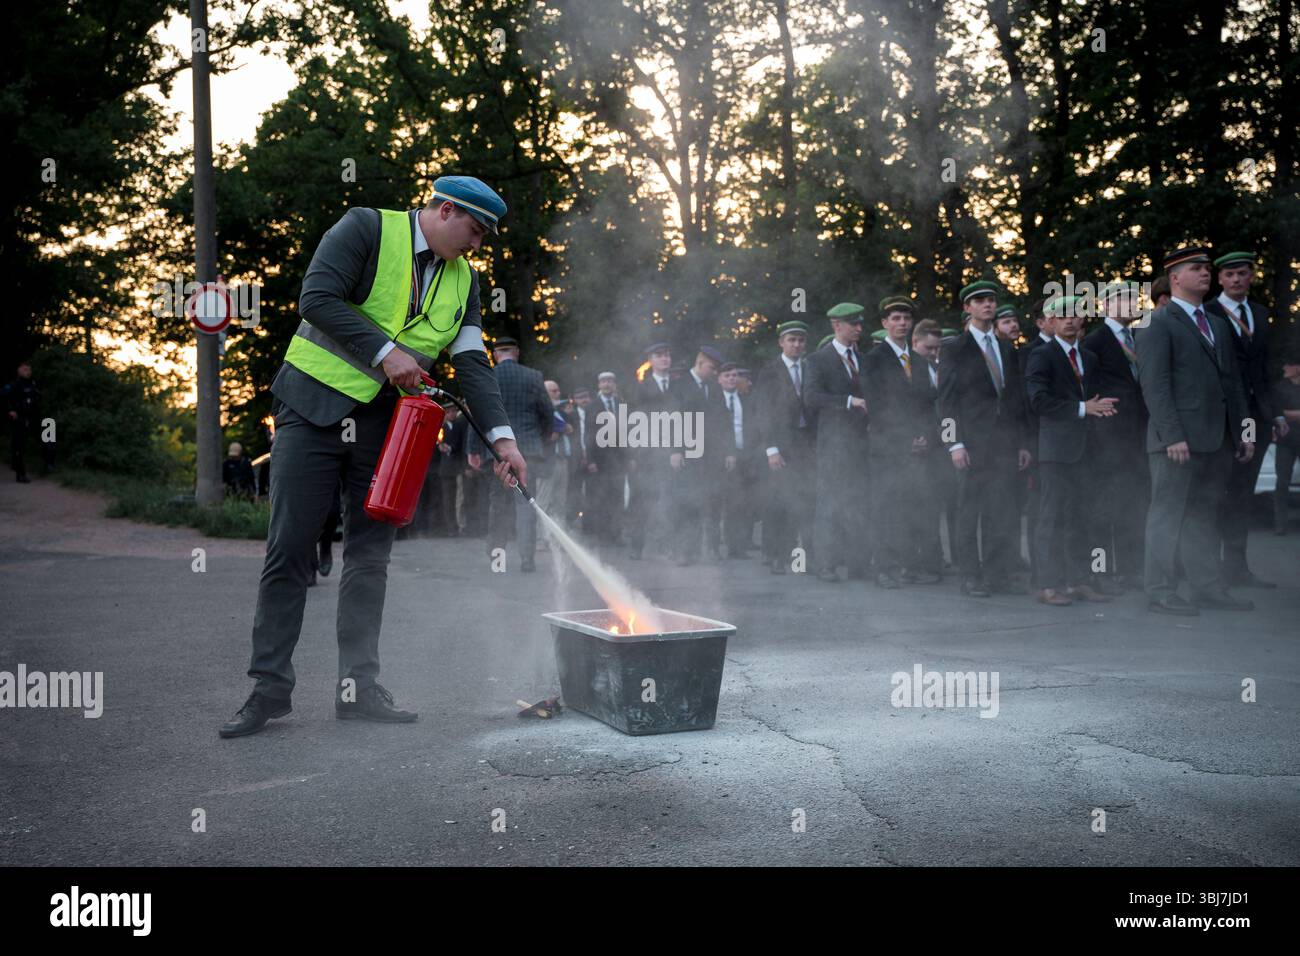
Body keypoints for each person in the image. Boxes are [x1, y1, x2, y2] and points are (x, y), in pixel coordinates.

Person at [220, 176, 525, 739]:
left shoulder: (466, 280)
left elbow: (472, 367)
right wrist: (386, 354)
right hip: (310, 409)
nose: (477, 245)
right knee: (290, 550)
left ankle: (356, 689)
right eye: (474, 231)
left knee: (369, 556)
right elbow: (316, 298)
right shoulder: (365, 226)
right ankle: (268, 691)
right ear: (443, 208)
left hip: (385, 428)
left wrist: (502, 439)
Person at [1137, 246, 1254, 616]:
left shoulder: (1217, 322)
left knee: (1204, 514)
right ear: (1174, 278)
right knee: (1166, 515)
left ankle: (1207, 587)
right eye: (1197, 268)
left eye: (1207, 268)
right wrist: (1172, 435)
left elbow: (1233, 385)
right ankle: (1159, 591)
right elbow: (1154, 385)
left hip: (1215, 438)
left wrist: (1244, 431)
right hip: (1177, 441)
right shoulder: (1157, 321)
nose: (1206, 273)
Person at [937, 280, 1032, 598]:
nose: (987, 305)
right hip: (972, 444)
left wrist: (1021, 442)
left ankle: (996, 574)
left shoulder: (1007, 347)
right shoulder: (954, 348)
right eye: (979, 300)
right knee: (969, 511)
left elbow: (1015, 398)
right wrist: (954, 443)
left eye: (991, 299)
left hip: (1005, 442)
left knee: (1001, 510)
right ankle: (970, 576)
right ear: (967, 308)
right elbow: (946, 400)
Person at [1025, 296, 1118, 605]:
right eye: (1061, 315)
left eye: (1075, 315)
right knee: (1050, 517)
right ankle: (1047, 585)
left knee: (1082, 516)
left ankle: (1079, 580)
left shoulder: (1089, 357)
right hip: (1056, 451)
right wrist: (1083, 408)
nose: (1068, 320)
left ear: (1082, 321)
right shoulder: (1042, 354)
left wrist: (1100, 409)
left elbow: (1095, 399)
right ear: (1049, 322)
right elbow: (1038, 401)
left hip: (1087, 449)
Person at [1204, 251, 1287, 588]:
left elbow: (1266, 368)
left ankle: (1236, 567)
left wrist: (1277, 411)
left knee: (1243, 492)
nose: (1236, 280)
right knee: (1216, 492)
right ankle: (1207, 571)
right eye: (1230, 275)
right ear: (1220, 279)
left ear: (1252, 276)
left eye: (1242, 273)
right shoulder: (1208, 312)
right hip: (1223, 416)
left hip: (1255, 415)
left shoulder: (1259, 313)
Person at [1083, 281, 1149, 592]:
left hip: (1137, 435)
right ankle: (1100, 571)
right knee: (1102, 507)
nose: (1132, 304)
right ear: (1106, 306)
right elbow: (1086, 385)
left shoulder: (1139, 336)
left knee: (1132, 504)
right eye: (1123, 299)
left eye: (1135, 299)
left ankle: (1130, 569)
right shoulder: (1095, 341)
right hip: (1107, 437)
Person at [468, 337, 553, 572]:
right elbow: (547, 414)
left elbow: (476, 414)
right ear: (516, 352)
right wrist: (540, 441)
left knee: (498, 504)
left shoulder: (488, 376)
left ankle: (497, 559)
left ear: (495, 355)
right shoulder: (533, 376)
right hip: (528, 448)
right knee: (526, 504)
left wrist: (473, 449)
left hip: (495, 450)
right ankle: (527, 559)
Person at [864, 295, 930, 588]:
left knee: (910, 506)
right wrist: (905, 439)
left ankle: (907, 565)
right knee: (885, 507)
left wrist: (923, 435)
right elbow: (877, 406)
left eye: (906, 318)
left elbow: (928, 401)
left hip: (916, 446)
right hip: (887, 447)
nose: (902, 323)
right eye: (896, 318)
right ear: (884, 323)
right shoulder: (874, 359)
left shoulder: (918, 359)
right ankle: (883, 568)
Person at [805, 302, 872, 582]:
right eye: (852, 324)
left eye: (860, 323)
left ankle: (858, 563)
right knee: (830, 505)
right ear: (836, 326)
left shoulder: (862, 358)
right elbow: (811, 398)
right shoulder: (819, 359)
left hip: (860, 444)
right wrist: (847, 401)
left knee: (858, 503)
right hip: (833, 445)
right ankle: (826, 565)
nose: (859, 328)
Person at [755, 321, 816, 575]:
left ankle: (804, 558)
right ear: (781, 342)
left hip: (806, 444)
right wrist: (771, 449)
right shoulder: (770, 371)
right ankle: (778, 555)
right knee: (780, 502)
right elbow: (763, 412)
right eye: (791, 340)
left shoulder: (810, 368)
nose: (797, 345)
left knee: (805, 500)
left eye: (801, 340)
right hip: (781, 444)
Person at [670, 345, 726, 565]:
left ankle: (710, 549)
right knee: (686, 503)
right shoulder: (679, 386)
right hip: (687, 453)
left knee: (710, 501)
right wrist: (675, 450)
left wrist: (727, 451)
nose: (715, 372)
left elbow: (722, 419)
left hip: (711, 455)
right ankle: (684, 551)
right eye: (712, 368)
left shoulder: (714, 388)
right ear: (700, 363)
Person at [904, 319, 947, 578]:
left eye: (936, 348)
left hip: (937, 444)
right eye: (928, 348)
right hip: (915, 444)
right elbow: (907, 408)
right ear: (915, 343)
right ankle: (911, 564)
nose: (933, 353)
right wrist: (913, 437)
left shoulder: (937, 367)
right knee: (912, 507)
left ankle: (932, 561)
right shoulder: (908, 370)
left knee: (931, 507)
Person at [627, 344, 679, 560]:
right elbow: (634, 422)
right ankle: (637, 546)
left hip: (673, 452)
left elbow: (682, 420)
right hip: (647, 453)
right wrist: (633, 454)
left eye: (667, 355)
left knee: (670, 499)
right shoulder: (641, 388)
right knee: (642, 499)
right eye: (659, 356)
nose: (665, 359)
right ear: (651, 359)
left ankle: (667, 545)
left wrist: (677, 449)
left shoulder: (677, 386)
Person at [717, 361, 760, 558]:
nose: (731, 379)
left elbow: (753, 427)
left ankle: (738, 546)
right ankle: (714, 545)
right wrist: (726, 451)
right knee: (720, 502)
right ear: (719, 379)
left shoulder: (746, 400)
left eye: (734, 375)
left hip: (745, 456)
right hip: (721, 458)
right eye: (727, 375)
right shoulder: (714, 400)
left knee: (741, 503)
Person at [587, 372, 627, 547]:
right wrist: (590, 460)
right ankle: (602, 535)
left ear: (614, 383)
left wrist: (630, 457)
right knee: (601, 497)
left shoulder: (621, 404)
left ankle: (616, 534)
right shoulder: (592, 406)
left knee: (617, 497)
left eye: (610, 381)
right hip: (600, 458)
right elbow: (587, 436)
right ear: (598, 384)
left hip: (619, 459)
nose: (607, 384)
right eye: (603, 381)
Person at [6, 360, 55, 482]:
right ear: (19, 370)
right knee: (18, 446)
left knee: (49, 429)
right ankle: (20, 473)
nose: (28, 372)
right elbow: (5, 399)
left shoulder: (33, 384)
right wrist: (10, 410)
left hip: (34, 418)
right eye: (25, 369)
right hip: (20, 419)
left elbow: (40, 399)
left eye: (29, 370)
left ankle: (48, 464)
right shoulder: (13, 385)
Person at [1273, 353, 1300, 534]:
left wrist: (1290, 415)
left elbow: (1284, 413)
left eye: (1288, 365)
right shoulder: (1280, 387)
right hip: (1286, 441)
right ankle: (1280, 525)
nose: (1284, 368)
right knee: (1282, 482)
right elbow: (1277, 411)